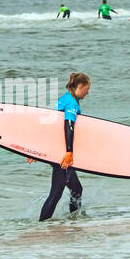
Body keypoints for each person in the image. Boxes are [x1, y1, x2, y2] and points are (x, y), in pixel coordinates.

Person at [39, 73, 89, 221]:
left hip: (56, 150)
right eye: (86, 88)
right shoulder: (71, 103)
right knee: (56, 192)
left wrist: (38, 149)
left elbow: (51, 128)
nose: (88, 92)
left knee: (76, 189)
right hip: (61, 153)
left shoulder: (65, 99)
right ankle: (41, 225)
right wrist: (69, 151)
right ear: (79, 87)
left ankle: (74, 220)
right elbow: (69, 126)